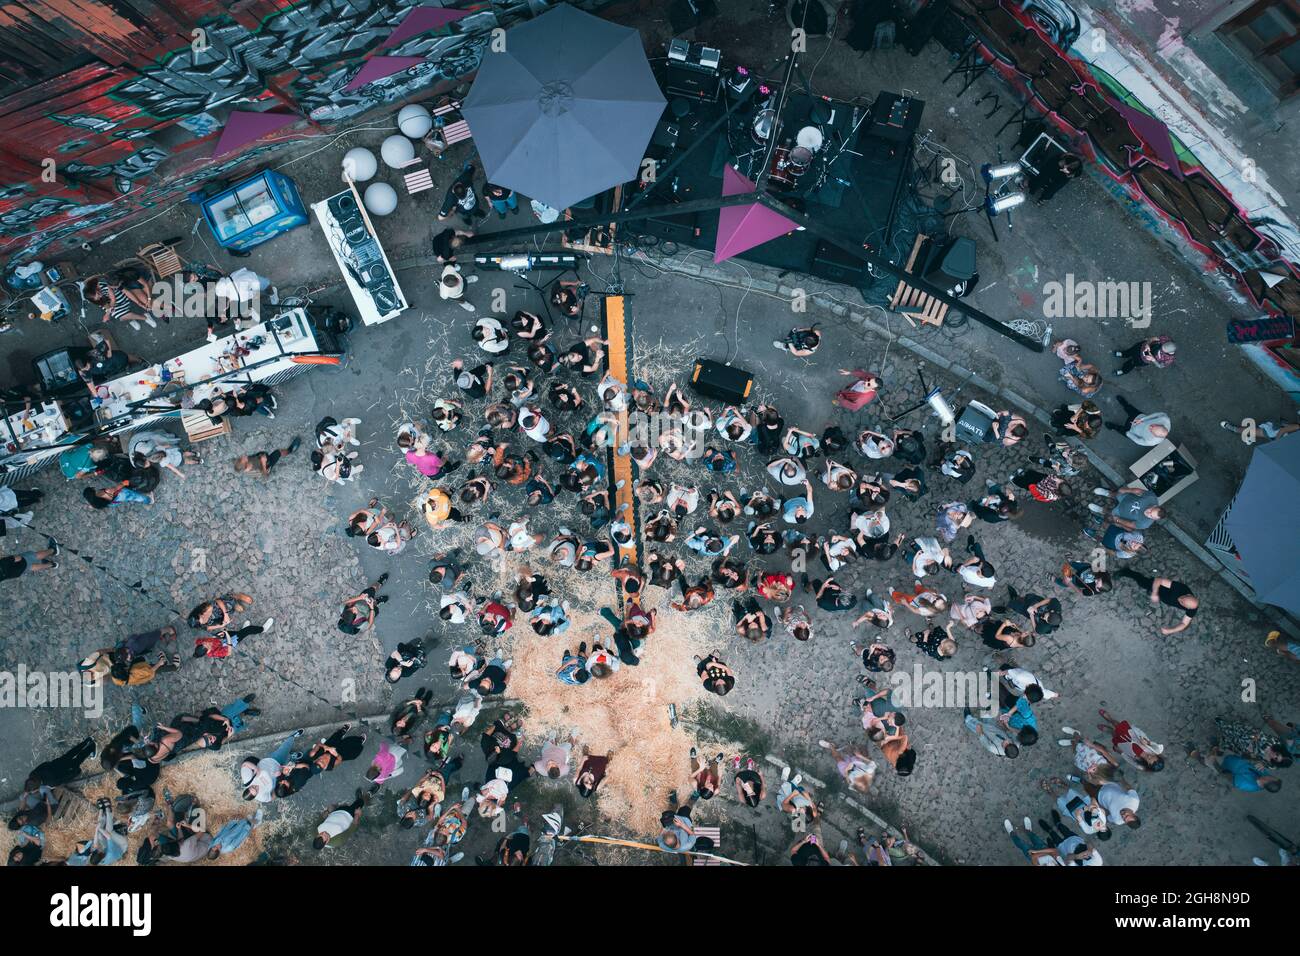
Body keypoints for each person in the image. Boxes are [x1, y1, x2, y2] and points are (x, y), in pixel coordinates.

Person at [1113, 568, 1198, 635]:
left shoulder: (1192, 609)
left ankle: (1150, 589)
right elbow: (1159, 580)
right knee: (1142, 582)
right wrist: (1154, 592)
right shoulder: (1182, 589)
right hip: (1158, 587)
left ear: (1187, 608)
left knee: (1146, 586)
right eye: (1182, 597)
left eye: (1182, 603)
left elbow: (1184, 624)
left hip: (1164, 596)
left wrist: (1170, 631)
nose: (1179, 599)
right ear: (1188, 595)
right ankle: (1127, 571)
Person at [1186, 745, 1282, 793]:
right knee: (1219, 752)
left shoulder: (1245, 785)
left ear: (1266, 782)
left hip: (1224, 766)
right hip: (1233, 758)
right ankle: (1217, 751)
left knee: (1208, 762)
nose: (1268, 775)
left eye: (1270, 777)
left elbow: (1224, 774)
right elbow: (1253, 762)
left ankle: (1197, 756)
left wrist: (1214, 762)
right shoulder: (1265, 775)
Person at [1105, 395, 1171, 446]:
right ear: (1160, 425)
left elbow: (1138, 441)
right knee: (1130, 409)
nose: (1150, 427)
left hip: (1132, 429)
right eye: (1153, 425)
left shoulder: (1151, 441)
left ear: (1155, 435)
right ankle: (1124, 403)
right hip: (1139, 417)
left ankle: (1113, 427)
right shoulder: (1165, 419)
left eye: (1151, 430)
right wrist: (1142, 419)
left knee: (1121, 429)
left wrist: (1128, 434)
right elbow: (1156, 414)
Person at [233, 436, 302, 477]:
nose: (244, 456)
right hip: (267, 463)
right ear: (246, 464)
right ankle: (290, 450)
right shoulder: (254, 471)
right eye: (243, 458)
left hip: (262, 458)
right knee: (278, 452)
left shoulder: (246, 462)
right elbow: (265, 475)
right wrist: (263, 462)